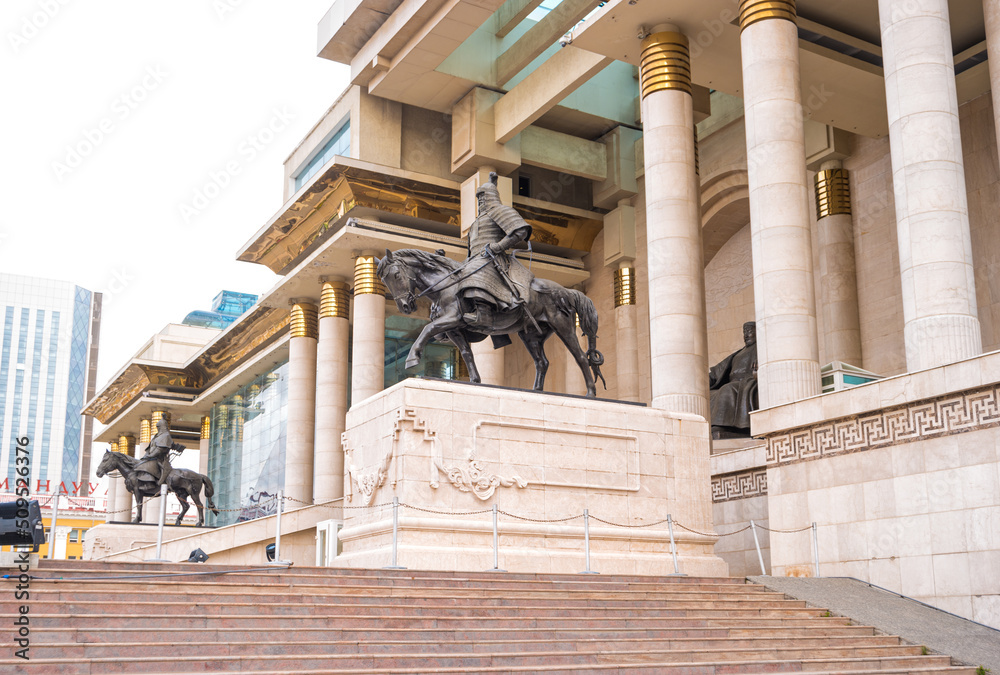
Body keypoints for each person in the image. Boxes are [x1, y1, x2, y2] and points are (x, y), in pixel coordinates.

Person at [457, 172, 534, 346]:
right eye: (479, 198)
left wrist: (498, 246)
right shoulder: (477, 221)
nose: (481, 201)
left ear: (491, 196)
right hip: (476, 259)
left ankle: (483, 313)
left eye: (483, 197)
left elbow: (520, 231)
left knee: (474, 274)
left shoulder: (499, 211)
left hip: (494, 259)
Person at [709, 321, 759, 438]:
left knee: (727, 389)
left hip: (748, 381)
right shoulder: (738, 353)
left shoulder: (761, 348)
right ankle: (713, 426)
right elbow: (717, 371)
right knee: (710, 395)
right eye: (744, 333)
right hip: (735, 383)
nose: (746, 335)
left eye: (750, 332)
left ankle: (722, 426)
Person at [135, 418, 181, 487]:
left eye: (159, 427)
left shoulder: (166, 436)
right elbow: (150, 447)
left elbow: (160, 449)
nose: (158, 429)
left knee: (149, 467)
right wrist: (146, 457)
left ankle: (153, 484)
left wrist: (151, 456)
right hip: (151, 458)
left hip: (160, 459)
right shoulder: (157, 436)